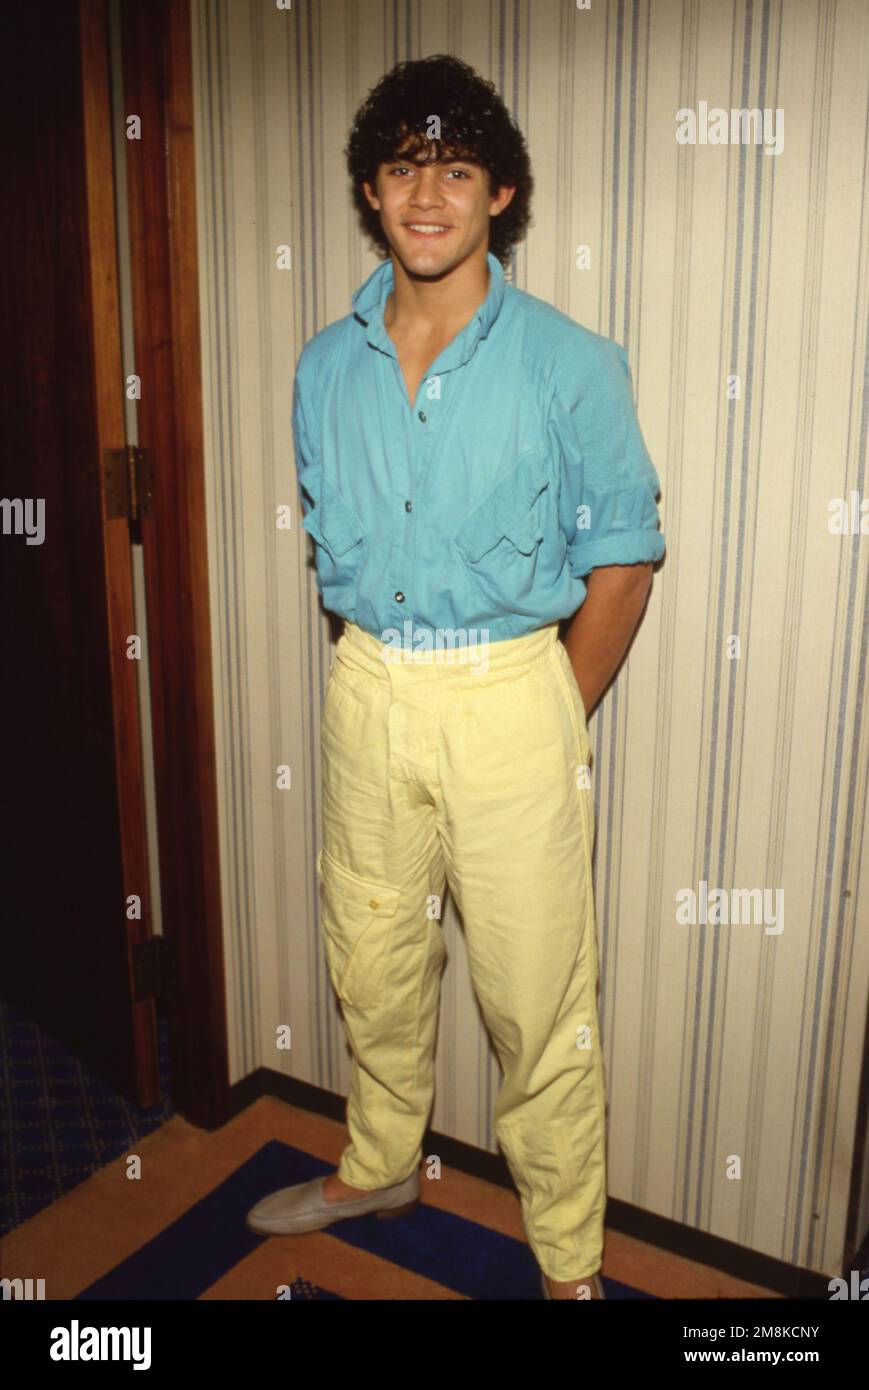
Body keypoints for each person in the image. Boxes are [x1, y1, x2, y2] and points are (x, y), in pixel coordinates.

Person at [246, 53, 665, 1302]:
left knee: (537, 999)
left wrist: (541, 714)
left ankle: (569, 1263)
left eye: (456, 170)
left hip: (509, 698)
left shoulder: (569, 362)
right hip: (365, 690)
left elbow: (623, 561)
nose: (426, 196)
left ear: (500, 193)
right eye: (402, 168)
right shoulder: (323, 367)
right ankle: (380, 1163)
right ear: (370, 191)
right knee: (371, 957)